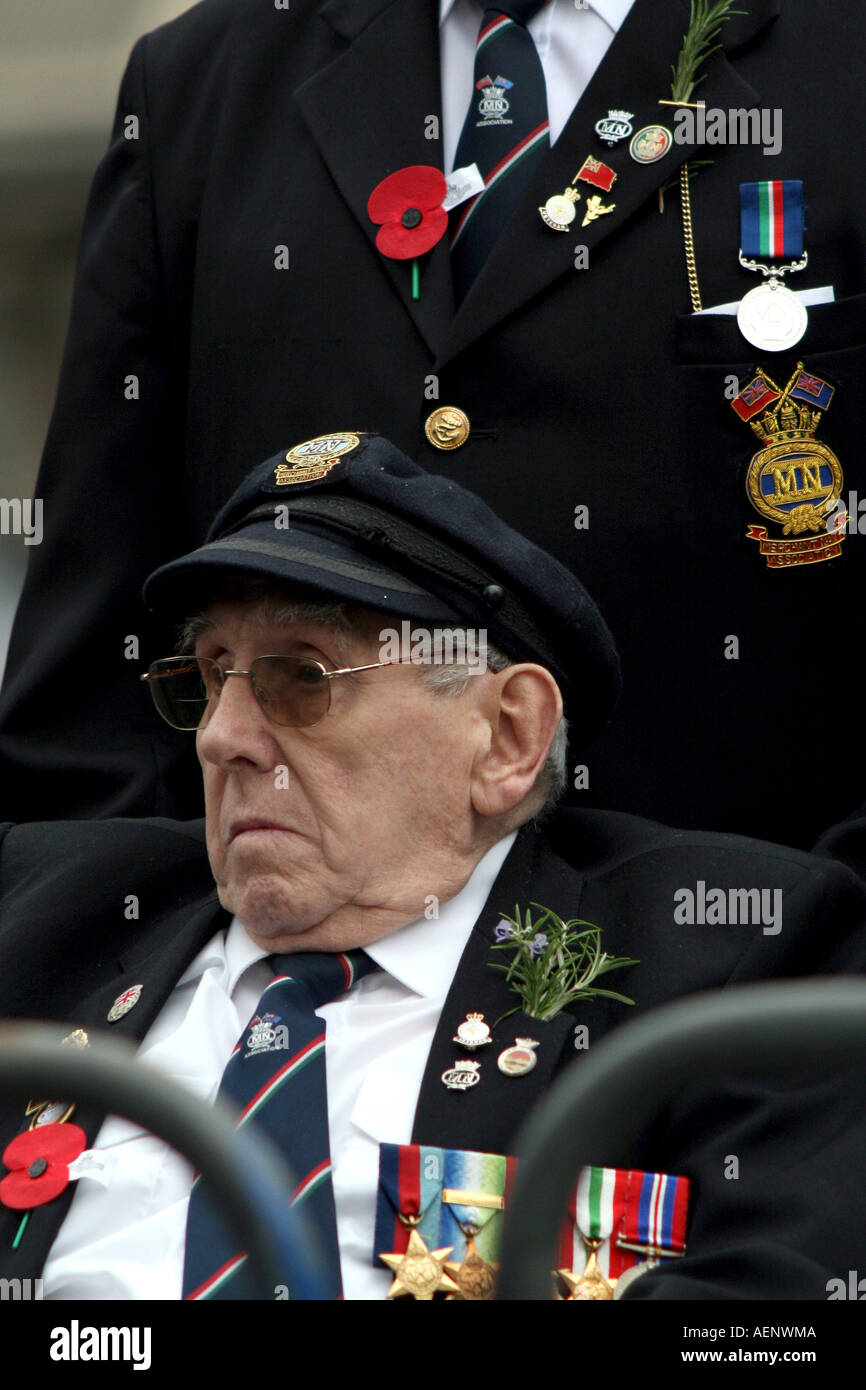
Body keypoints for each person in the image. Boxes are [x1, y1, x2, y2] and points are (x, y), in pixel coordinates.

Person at [0, 0, 863, 875]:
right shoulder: (201, 83)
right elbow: (90, 703)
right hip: (296, 977)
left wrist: (806, 970)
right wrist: (157, 972)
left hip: (751, 970)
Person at [0, 432, 864, 1300]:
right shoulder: (43, 907)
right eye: (210, 674)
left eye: (301, 677)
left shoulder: (733, 952)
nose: (221, 736)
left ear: (505, 738)